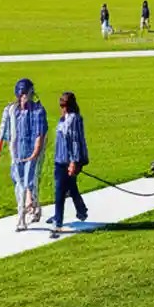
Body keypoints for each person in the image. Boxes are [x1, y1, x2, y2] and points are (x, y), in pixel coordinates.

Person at [0, 78, 48, 231]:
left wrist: (35, 153)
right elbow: (3, 131)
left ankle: (24, 215)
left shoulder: (38, 111)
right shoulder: (10, 110)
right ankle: (28, 209)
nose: (25, 97)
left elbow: (40, 134)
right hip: (16, 151)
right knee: (19, 182)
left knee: (30, 180)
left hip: (33, 152)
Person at [49, 91, 90, 237]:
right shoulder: (63, 119)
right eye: (61, 105)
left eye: (65, 105)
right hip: (60, 159)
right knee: (71, 188)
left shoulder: (73, 119)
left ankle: (58, 222)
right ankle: (81, 210)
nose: (63, 108)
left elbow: (74, 141)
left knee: (59, 191)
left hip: (68, 160)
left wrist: (73, 161)